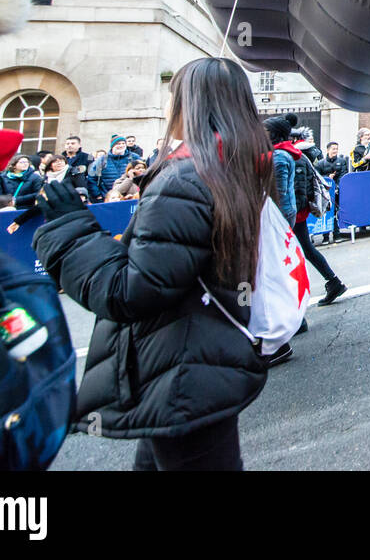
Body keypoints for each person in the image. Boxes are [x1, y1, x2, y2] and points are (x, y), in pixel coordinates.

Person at [33, 57, 269, 470]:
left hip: (180, 371)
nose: (166, 109)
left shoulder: (184, 180)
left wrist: (70, 229)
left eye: (172, 98)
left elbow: (131, 291)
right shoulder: (233, 167)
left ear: (190, 106)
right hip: (190, 362)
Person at [267, 115, 348, 313]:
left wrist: (285, 215)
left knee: (287, 259)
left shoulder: (285, 156)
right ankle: (333, 282)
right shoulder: (292, 154)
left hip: (290, 215)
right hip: (295, 213)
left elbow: (292, 191)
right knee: (305, 250)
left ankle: (297, 309)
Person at [89, 135, 133, 202]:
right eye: (118, 144)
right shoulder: (102, 160)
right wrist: (97, 195)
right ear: (112, 146)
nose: (121, 146)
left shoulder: (134, 158)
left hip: (129, 197)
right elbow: (92, 178)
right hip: (108, 198)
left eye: (123, 143)